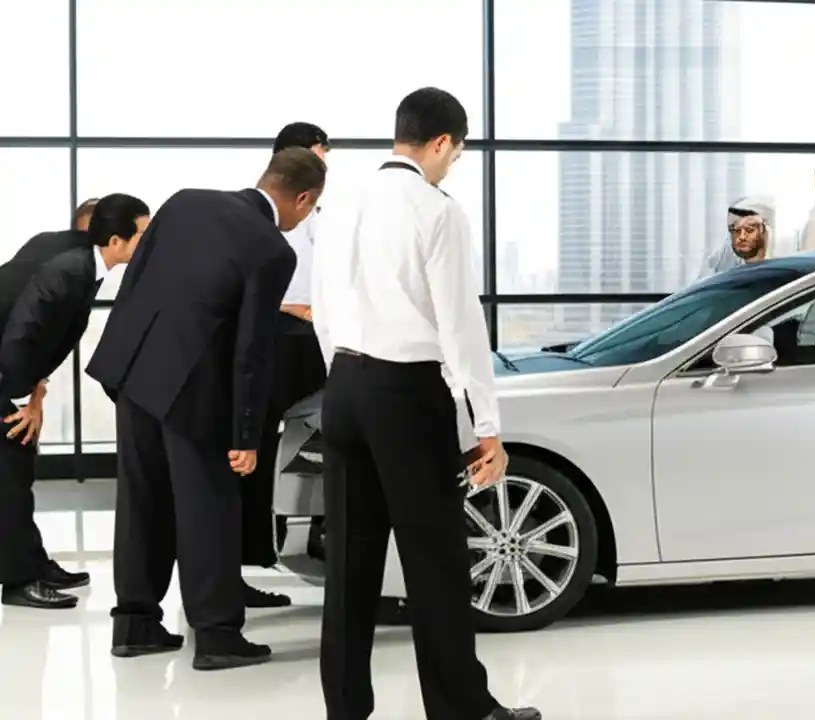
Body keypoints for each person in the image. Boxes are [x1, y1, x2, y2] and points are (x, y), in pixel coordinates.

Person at [311, 87, 540, 720]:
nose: (452, 164)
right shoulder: (436, 209)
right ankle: (462, 708)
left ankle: (346, 708)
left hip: (345, 388)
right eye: (456, 153)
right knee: (435, 558)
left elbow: (324, 309)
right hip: (406, 393)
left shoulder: (343, 202)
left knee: (350, 564)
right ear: (442, 142)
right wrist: (487, 426)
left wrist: (342, 370)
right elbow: (460, 326)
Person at [86, 148, 324, 670]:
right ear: (302, 199)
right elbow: (250, 351)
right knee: (208, 507)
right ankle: (217, 636)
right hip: (194, 389)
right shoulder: (272, 251)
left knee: (142, 502)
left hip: (134, 373)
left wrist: (121, 366)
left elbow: (136, 283)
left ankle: (136, 625)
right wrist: (245, 436)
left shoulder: (184, 203)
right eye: (309, 210)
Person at [0, 194, 149, 610]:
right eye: (143, 234)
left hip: (12, 367)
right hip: (5, 368)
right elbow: (21, 334)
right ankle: (17, 581)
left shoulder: (80, 261)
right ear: (116, 239)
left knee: (17, 466)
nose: (149, 242)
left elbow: (45, 333)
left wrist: (38, 390)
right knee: (10, 472)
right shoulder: (69, 269)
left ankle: (31, 561)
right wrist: (23, 401)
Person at [237, 122, 332, 609]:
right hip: (280, 336)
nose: (325, 160)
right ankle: (242, 555)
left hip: (311, 338)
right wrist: (298, 311)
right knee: (249, 444)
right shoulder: (262, 217)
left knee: (296, 441)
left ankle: (271, 543)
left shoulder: (315, 211)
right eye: (317, 152)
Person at [696, 196, 780, 280]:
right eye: (736, 230)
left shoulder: (782, 260)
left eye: (749, 229)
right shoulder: (722, 257)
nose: (742, 236)